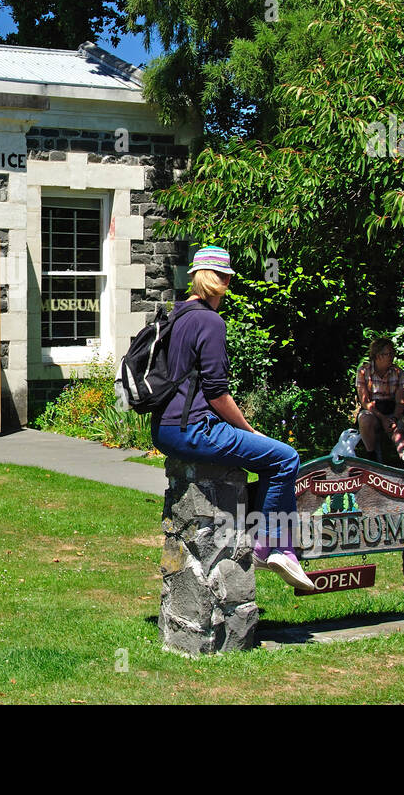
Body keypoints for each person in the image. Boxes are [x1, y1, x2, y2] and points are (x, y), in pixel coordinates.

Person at [152, 246, 316, 592]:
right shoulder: (211, 321)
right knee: (284, 458)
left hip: (164, 429)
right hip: (192, 429)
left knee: (266, 464)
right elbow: (216, 393)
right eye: (227, 278)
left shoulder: (176, 316)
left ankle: (265, 536)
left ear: (194, 277)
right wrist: (250, 430)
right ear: (223, 281)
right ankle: (272, 547)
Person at [355, 338, 404, 461]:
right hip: (373, 410)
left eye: (392, 353)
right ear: (378, 355)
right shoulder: (364, 371)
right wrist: (383, 418)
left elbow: (400, 402)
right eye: (388, 354)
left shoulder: (398, 372)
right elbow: (365, 402)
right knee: (365, 419)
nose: (392, 357)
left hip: (392, 410)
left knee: (399, 435)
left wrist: (393, 419)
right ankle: (372, 457)